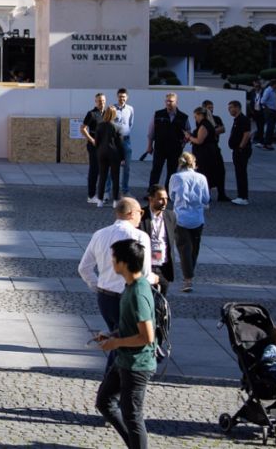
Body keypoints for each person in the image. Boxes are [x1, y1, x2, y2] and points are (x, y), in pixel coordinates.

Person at [94, 238, 158, 449]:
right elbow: (130, 325)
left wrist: (116, 343)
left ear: (124, 262)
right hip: (124, 359)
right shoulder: (130, 287)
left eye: (113, 258)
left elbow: (147, 336)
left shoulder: (139, 293)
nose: (111, 261)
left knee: (133, 416)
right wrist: (111, 335)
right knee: (104, 401)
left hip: (137, 364)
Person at [78, 197, 156, 368]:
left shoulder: (100, 234)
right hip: (127, 297)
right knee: (123, 341)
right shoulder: (140, 236)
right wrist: (154, 279)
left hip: (105, 298)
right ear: (130, 213)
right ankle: (114, 380)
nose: (141, 216)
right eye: (140, 212)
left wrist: (98, 286)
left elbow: (84, 268)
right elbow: (144, 273)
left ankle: (113, 382)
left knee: (118, 336)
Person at [167, 152, 210, 294]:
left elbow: (172, 196)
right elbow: (206, 198)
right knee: (194, 248)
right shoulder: (201, 178)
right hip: (197, 217)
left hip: (181, 217)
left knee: (184, 247)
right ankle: (189, 273)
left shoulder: (176, 177)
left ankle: (188, 278)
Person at [145, 92, 190, 189]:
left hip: (175, 149)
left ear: (176, 102)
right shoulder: (158, 114)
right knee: (156, 169)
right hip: (160, 147)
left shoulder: (183, 117)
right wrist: (149, 146)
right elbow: (151, 132)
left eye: (171, 101)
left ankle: (169, 192)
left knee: (172, 171)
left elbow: (188, 132)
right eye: (167, 101)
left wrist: (183, 144)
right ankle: (152, 192)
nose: (169, 103)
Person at [138, 186, 178, 287]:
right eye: (161, 199)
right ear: (151, 199)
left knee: (161, 301)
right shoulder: (140, 215)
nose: (165, 202)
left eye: (166, 198)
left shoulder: (171, 216)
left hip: (163, 267)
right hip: (146, 266)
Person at [189, 106, 229, 203]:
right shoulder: (208, 124)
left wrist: (189, 137)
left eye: (196, 116)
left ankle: (206, 195)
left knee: (205, 173)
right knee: (214, 172)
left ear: (200, 115)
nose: (195, 119)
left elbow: (199, 141)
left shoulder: (204, 125)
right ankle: (216, 194)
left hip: (205, 153)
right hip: (211, 151)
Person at [81, 93, 109, 205]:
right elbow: (82, 128)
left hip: (104, 145)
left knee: (102, 170)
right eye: (99, 101)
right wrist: (91, 140)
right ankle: (91, 195)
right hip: (93, 146)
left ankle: (101, 193)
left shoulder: (107, 113)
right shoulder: (91, 114)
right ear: (95, 102)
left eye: (102, 100)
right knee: (94, 170)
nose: (101, 102)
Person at [94, 106, 125, 205]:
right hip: (114, 154)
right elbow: (120, 144)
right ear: (114, 114)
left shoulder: (99, 126)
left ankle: (100, 200)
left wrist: (98, 151)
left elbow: (97, 141)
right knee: (115, 177)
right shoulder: (117, 127)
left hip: (102, 153)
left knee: (102, 177)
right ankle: (115, 200)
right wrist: (123, 157)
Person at [227, 100, 253, 205]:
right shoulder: (237, 120)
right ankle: (240, 195)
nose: (229, 110)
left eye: (231, 108)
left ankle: (243, 196)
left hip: (241, 151)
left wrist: (241, 147)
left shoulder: (243, 119)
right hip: (237, 150)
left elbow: (246, 134)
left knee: (241, 173)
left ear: (237, 107)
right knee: (239, 173)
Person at [113, 89, 136, 199]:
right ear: (117, 97)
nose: (121, 99)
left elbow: (130, 124)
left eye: (124, 97)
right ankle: (108, 191)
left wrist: (124, 132)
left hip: (126, 140)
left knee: (127, 167)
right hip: (114, 141)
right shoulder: (112, 109)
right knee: (111, 167)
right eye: (120, 96)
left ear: (127, 97)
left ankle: (125, 191)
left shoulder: (130, 109)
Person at [256, 79, 276, 150]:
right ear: (274, 84)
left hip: (273, 111)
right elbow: (263, 101)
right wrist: (268, 109)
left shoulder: (274, 91)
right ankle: (266, 144)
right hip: (269, 111)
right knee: (269, 128)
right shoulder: (268, 90)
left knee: (271, 128)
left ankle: (269, 143)